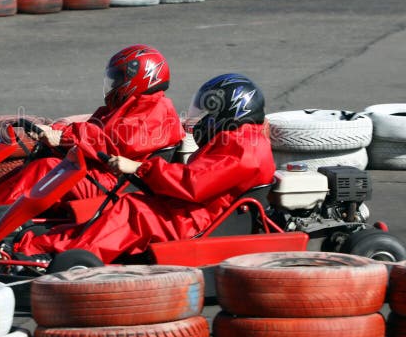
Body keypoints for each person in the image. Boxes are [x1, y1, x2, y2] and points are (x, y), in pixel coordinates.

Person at [14, 73, 276, 264]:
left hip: (197, 222)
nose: (202, 117)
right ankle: (38, 245)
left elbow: (193, 182)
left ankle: (66, 260)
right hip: (189, 212)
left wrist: (141, 168)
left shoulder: (246, 145)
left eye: (210, 109)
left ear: (232, 108)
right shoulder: (237, 138)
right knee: (127, 206)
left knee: (134, 211)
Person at [0, 44, 185, 220]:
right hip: (99, 172)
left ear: (141, 76)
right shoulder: (124, 106)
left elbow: (116, 143)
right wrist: (53, 131)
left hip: (118, 184)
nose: (114, 85)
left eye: (119, 78)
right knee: (36, 160)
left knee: (46, 169)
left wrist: (66, 137)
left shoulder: (158, 109)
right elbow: (93, 128)